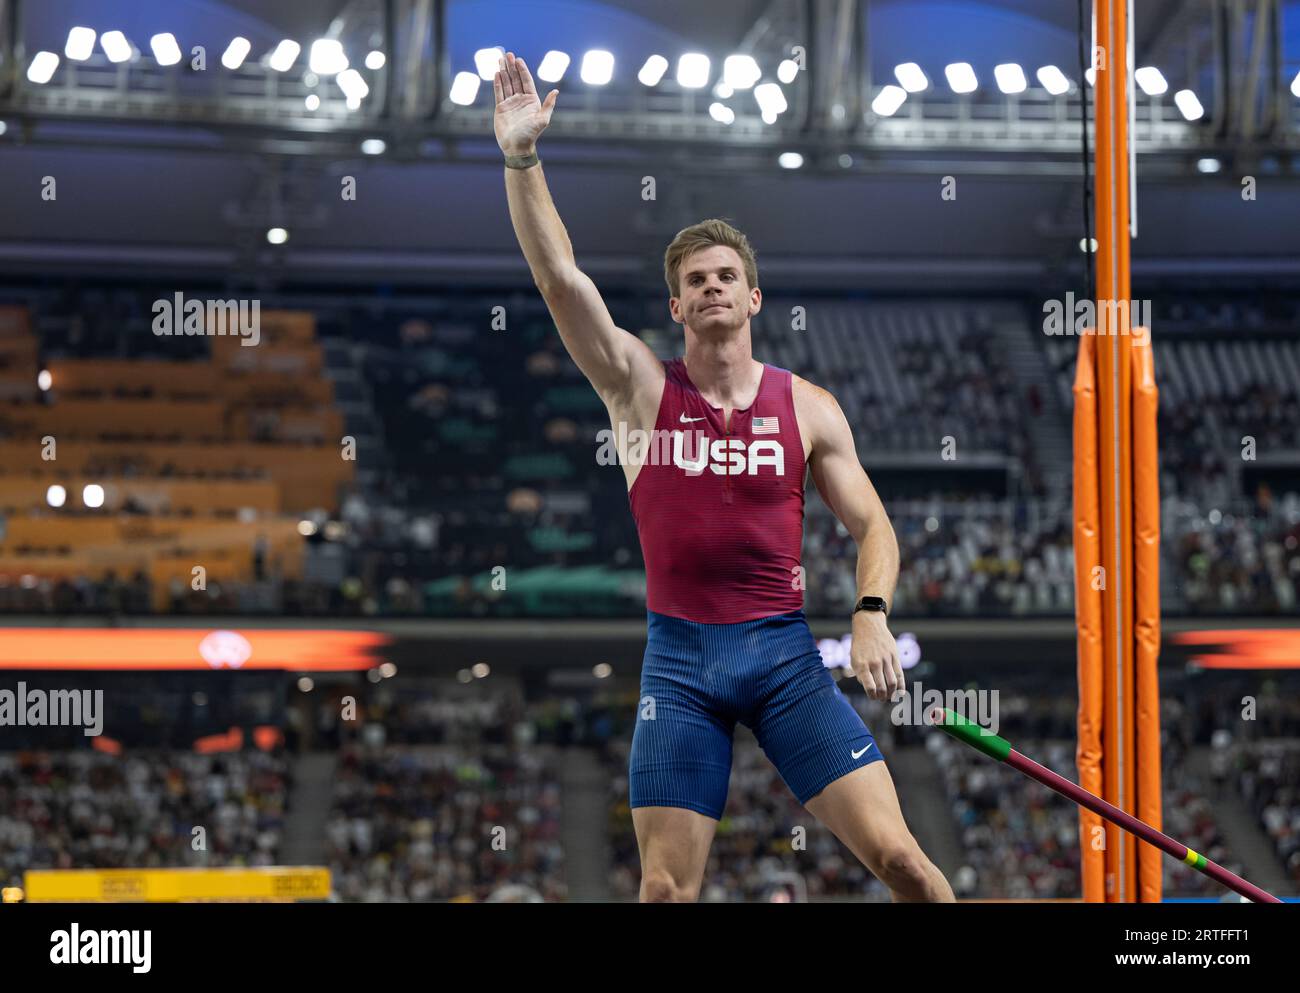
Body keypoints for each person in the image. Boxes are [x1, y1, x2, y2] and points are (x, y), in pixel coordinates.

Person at [494, 52, 953, 903]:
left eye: (725, 278)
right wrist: (522, 159)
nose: (711, 287)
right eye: (694, 281)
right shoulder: (638, 386)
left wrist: (872, 615)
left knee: (908, 866)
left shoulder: (810, 407)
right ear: (676, 308)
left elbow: (875, 527)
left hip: (783, 657)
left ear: (753, 298)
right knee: (665, 890)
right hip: (680, 663)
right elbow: (560, 279)